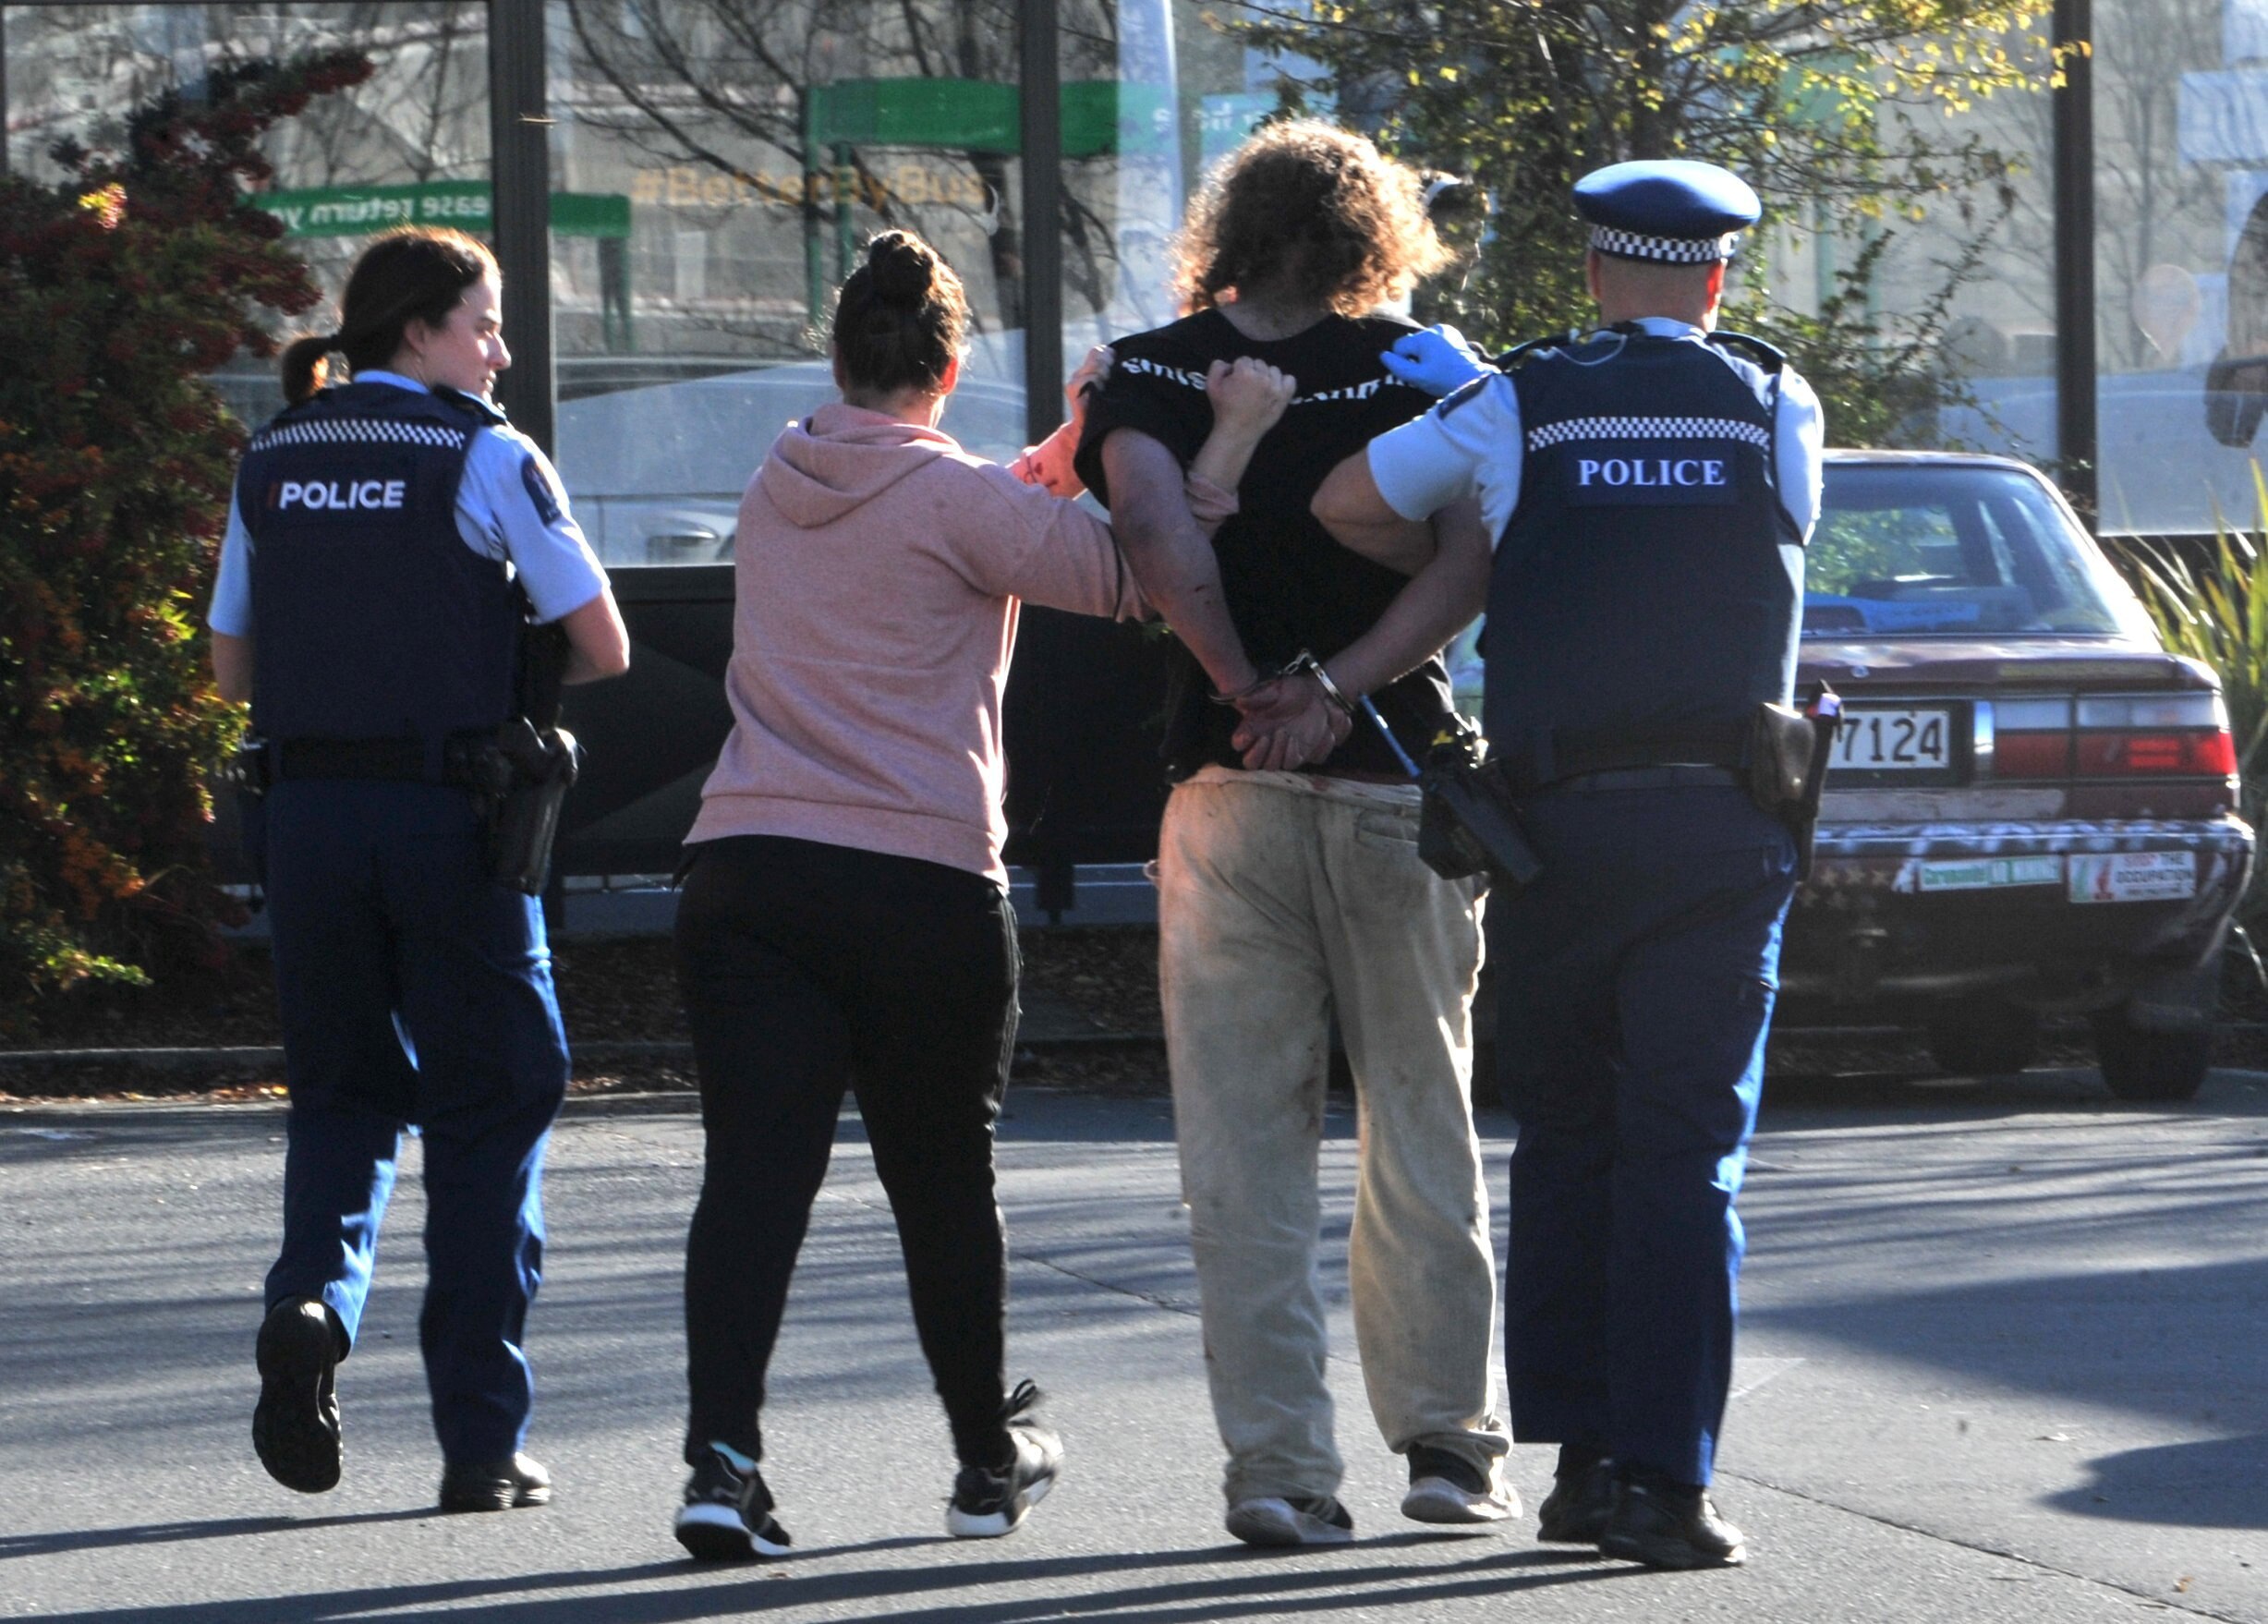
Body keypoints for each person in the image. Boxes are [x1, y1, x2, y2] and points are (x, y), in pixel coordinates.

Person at [669, 229, 1296, 1561]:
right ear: (950, 370)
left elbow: (963, 506)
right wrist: (1226, 439)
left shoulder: (776, 479)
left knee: (751, 1183)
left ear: (837, 357)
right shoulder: (960, 501)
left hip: (748, 867)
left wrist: (1063, 447)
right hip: (918, 881)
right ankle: (978, 1460)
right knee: (944, 1181)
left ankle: (722, 1464)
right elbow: (1139, 575)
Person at [1314, 158, 1827, 1569]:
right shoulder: (1777, 401)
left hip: (1555, 836)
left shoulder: (1515, 401)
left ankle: (1585, 1465)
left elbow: (1349, 504)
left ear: (1595, 270)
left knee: (1574, 1139)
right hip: (1723, 830)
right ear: (1717, 278)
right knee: (1688, 1154)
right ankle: (1671, 1481)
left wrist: (1490, 531)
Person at [1071, 119, 1510, 1549]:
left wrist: (1240, 687)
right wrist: (1334, 689)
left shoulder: (1141, 368)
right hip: (1394, 784)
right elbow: (1474, 560)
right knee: (1419, 1121)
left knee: (1243, 1154)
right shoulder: (1428, 367)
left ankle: (1277, 1470)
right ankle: (1447, 1445)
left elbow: (1156, 532)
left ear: (1229, 229)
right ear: (1371, 232)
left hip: (1221, 791)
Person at [208, 225, 632, 1511]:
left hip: (309, 822)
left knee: (342, 1096)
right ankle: (480, 1440)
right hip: (453, 820)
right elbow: (604, 641)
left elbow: (232, 669)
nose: (501, 351)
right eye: (485, 323)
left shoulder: (270, 455)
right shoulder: (485, 449)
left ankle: (312, 1311)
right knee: (496, 1100)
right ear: (418, 332)